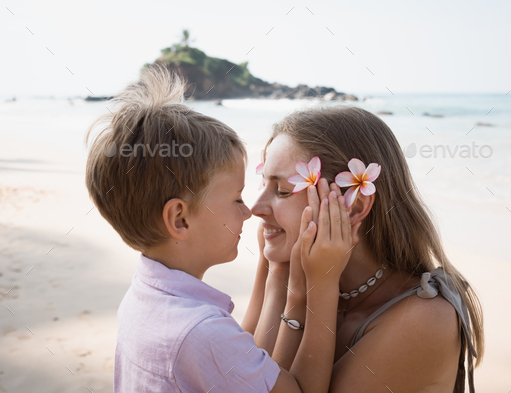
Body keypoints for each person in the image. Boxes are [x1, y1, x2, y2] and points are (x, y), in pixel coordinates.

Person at [84, 64, 358, 393]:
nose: (250, 211)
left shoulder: (144, 300)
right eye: (237, 198)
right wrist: (321, 284)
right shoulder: (200, 332)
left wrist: (273, 269)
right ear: (180, 220)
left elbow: (251, 365)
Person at [246, 106, 485, 392]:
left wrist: (305, 291)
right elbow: (239, 377)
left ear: (354, 207)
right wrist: (276, 272)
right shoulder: (297, 276)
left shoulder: (424, 319)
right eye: (262, 184)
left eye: (282, 191)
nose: (255, 208)